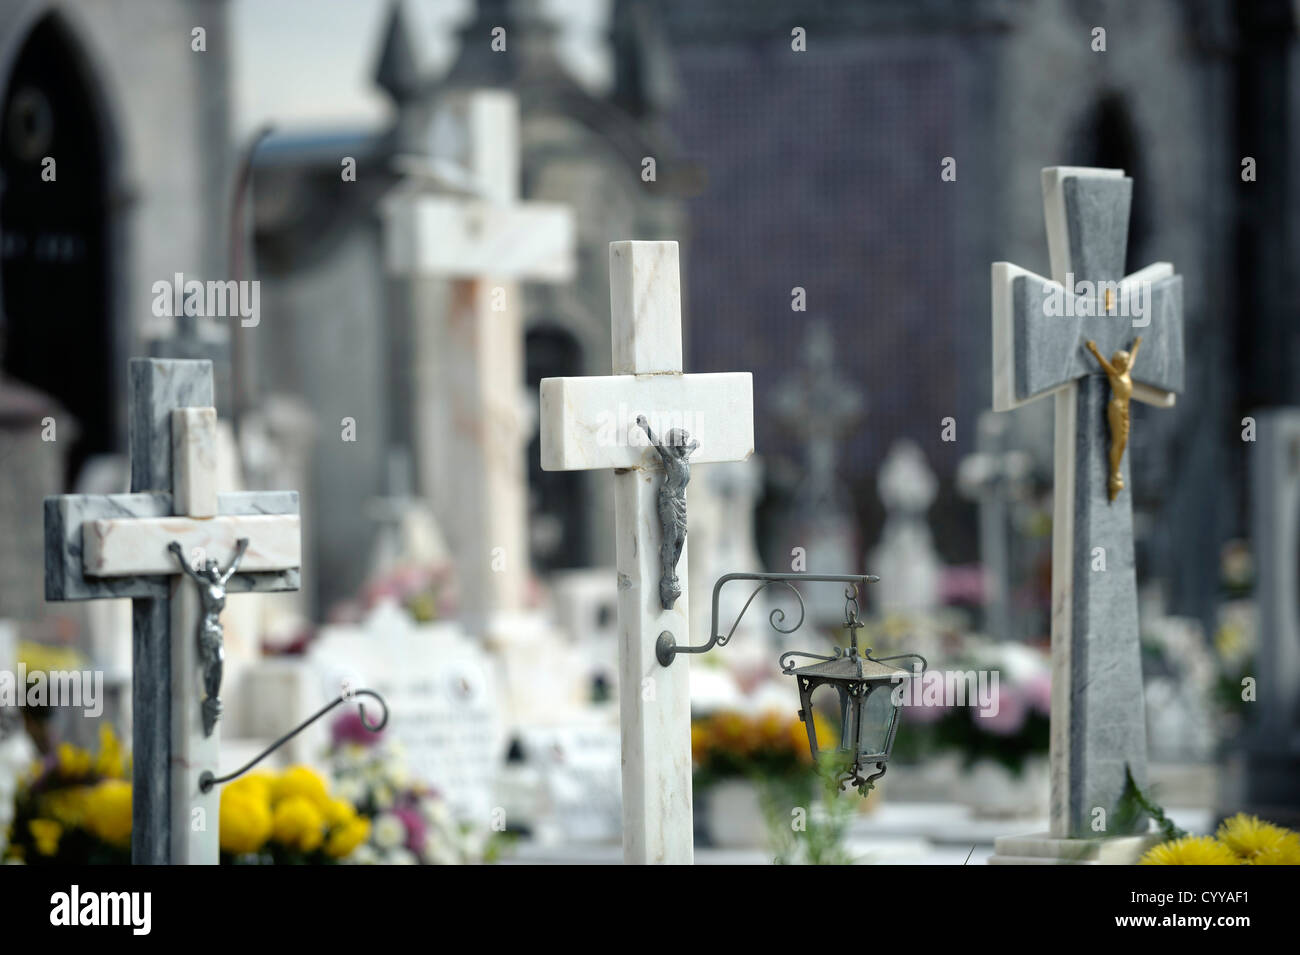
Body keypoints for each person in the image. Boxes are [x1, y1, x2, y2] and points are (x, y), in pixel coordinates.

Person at [167, 538, 249, 736]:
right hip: (207, 627)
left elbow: (233, 567)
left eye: (214, 567)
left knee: (219, 662)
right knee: (210, 662)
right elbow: (188, 570)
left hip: (218, 628)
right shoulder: (204, 584)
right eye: (210, 567)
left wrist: (242, 549)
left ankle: (213, 697)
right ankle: (208, 698)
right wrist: (178, 553)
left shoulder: (221, 582)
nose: (214, 570)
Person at [635, 415, 698, 609]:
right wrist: (645, 427)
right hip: (669, 499)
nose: (684, 444)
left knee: (681, 538)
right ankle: (669, 577)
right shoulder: (670, 457)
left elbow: (692, 447)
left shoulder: (684, 455)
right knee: (671, 537)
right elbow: (657, 444)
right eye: (682, 441)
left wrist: (695, 444)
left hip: (681, 501)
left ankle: (672, 572)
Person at [1085, 336, 1142, 502]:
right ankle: (1114, 474)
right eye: (1122, 361)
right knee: (1117, 441)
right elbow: (1103, 364)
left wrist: (1136, 344)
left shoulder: (1126, 373)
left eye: (1125, 360)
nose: (1125, 363)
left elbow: (1132, 359)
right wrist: (1094, 350)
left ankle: (1116, 473)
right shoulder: (1115, 375)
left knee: (1123, 441)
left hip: (1125, 409)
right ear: (1117, 363)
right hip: (1116, 408)